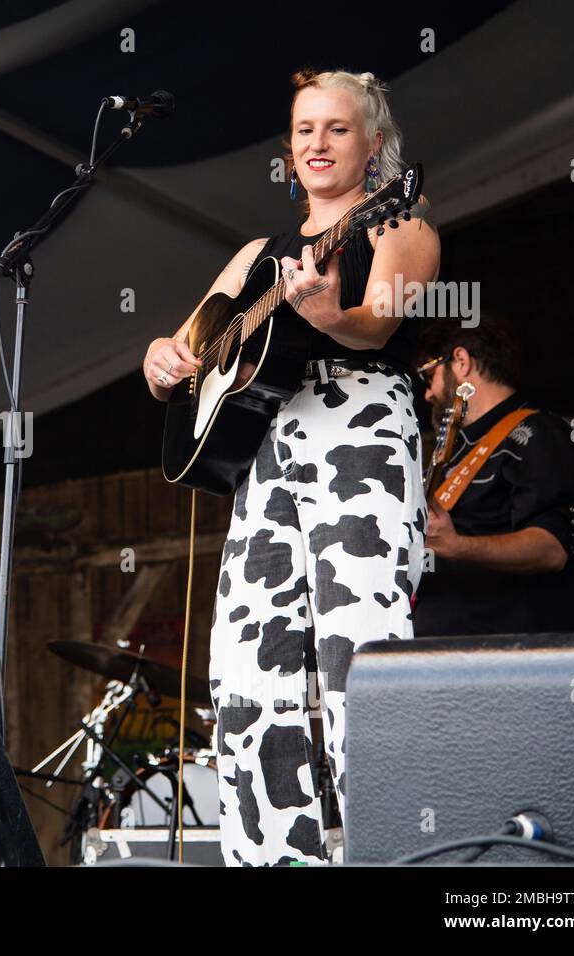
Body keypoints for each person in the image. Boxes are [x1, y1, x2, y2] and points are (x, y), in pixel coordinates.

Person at [142, 69, 439, 865]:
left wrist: (327, 314)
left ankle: (395, 848)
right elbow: (191, 346)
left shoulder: (398, 224)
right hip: (268, 452)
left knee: (358, 644)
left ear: (372, 144)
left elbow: (376, 328)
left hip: (360, 430)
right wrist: (163, 360)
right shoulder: (256, 254)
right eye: (305, 130)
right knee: (249, 662)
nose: (316, 144)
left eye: (336, 130)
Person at [413, 316, 574, 636]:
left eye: (429, 377)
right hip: (437, 657)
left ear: (461, 361)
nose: (427, 395)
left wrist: (456, 546)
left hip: (503, 663)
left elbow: (551, 549)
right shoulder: (457, 450)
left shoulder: (542, 434)